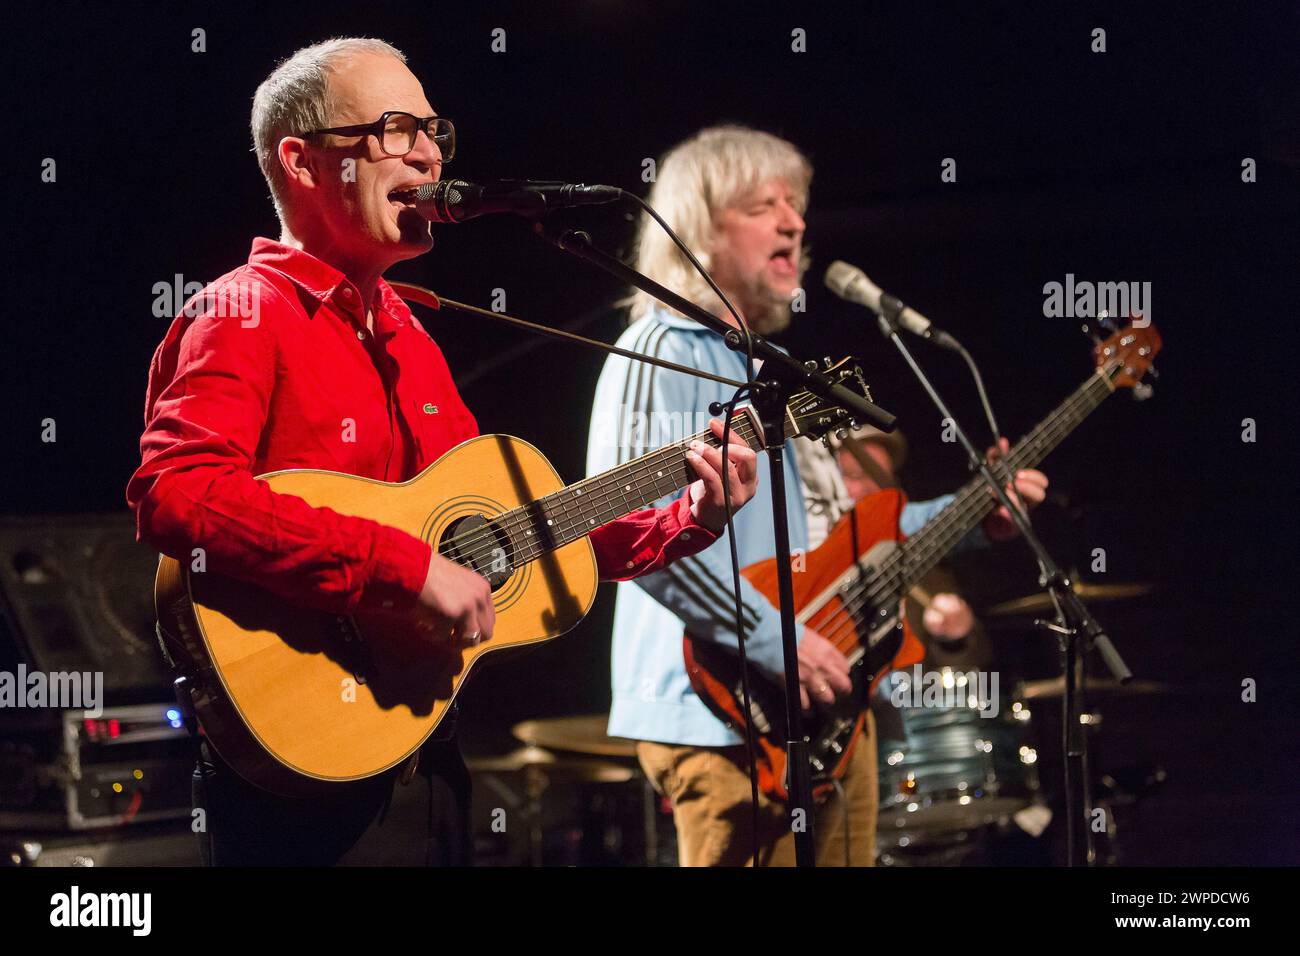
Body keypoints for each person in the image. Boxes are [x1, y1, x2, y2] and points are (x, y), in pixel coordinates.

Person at [126, 39, 758, 866]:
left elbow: (517, 533)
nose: (428, 152)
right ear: (304, 161)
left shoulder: (408, 330)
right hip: (300, 773)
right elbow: (177, 494)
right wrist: (402, 567)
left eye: (433, 131)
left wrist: (688, 515)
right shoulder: (241, 312)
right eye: (396, 129)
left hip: (426, 755)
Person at [586, 124, 1046, 866]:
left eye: (796, 204)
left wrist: (974, 518)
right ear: (700, 224)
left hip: (826, 702)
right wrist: (775, 644)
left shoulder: (775, 370)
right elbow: (626, 530)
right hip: (722, 715)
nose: (795, 222)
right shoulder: (659, 348)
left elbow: (844, 535)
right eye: (764, 205)